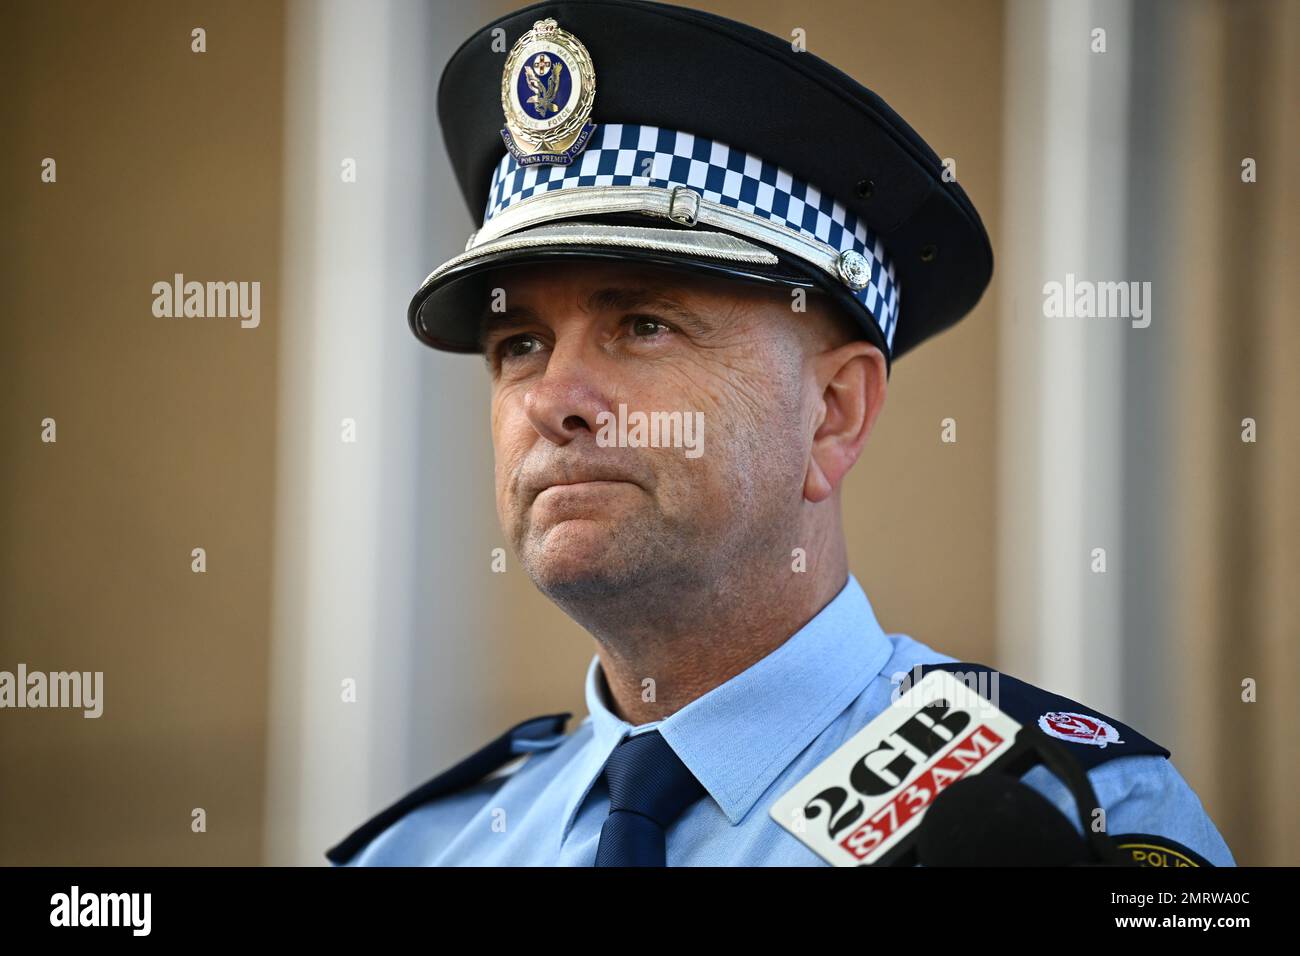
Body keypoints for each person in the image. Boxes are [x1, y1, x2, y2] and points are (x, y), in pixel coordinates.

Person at [326, 0, 1234, 867]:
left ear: (834, 412)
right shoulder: (421, 851)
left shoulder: (1061, 814)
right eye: (519, 344)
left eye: (644, 324)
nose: (550, 398)